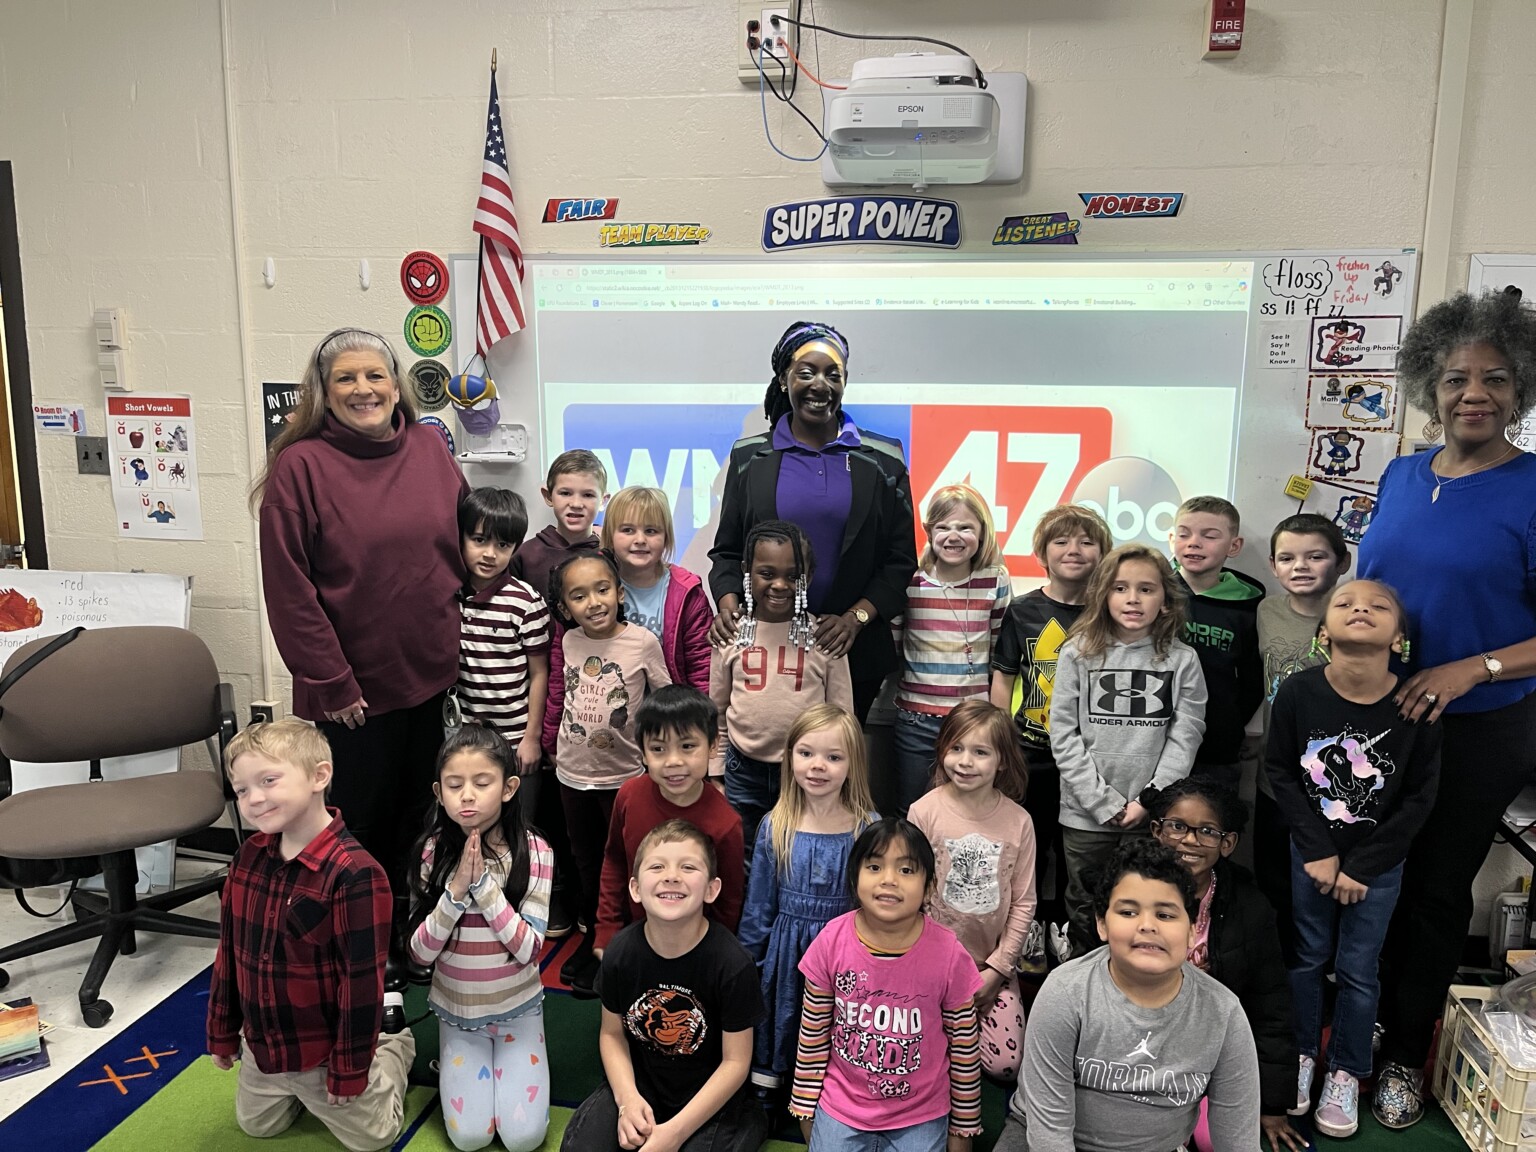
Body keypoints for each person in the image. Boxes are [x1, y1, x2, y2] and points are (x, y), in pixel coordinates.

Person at [1361, 289, 1536, 1129]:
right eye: (1457, 378)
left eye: (1495, 378)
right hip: (1385, 716)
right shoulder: (1401, 475)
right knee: (1371, 878)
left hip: (1481, 727)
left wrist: (1477, 667)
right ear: (1429, 386)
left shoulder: (1532, 485)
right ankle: (1359, 1027)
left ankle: (1405, 1054)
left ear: (1520, 389)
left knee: (1435, 891)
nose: (1475, 393)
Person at [253, 328, 467, 980]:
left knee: (417, 820)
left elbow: (467, 540)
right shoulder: (300, 467)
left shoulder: (428, 447)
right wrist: (332, 680)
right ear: (324, 390)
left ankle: (406, 935)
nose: (363, 389)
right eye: (346, 377)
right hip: (353, 695)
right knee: (357, 828)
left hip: (429, 677)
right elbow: (289, 590)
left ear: (395, 384)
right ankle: (359, 948)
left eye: (375, 375)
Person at [1267, 580, 1441, 1138]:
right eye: (1344, 603)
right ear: (1323, 633)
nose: (1360, 607)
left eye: (1378, 605)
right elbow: (1279, 772)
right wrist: (1318, 851)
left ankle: (1346, 1070)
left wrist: (1363, 867)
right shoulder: (1298, 692)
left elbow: (1419, 799)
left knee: (1360, 969)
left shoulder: (1416, 706)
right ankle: (1301, 1055)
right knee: (1307, 957)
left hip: (1378, 865)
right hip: (1311, 857)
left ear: (1399, 639)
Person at [207, 720, 415, 1152]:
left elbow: (361, 983)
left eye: (268, 780)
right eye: (242, 789)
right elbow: (229, 953)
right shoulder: (247, 857)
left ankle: (393, 1046)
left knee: (375, 1139)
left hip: (323, 1052)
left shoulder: (357, 874)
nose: (253, 799)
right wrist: (223, 1032)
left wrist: (349, 1068)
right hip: (264, 1047)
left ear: (319, 776)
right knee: (257, 1127)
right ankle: (297, 1091)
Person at [708, 321, 918, 724]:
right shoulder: (749, 457)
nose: (820, 385)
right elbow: (728, 551)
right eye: (806, 372)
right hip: (764, 648)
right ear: (784, 379)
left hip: (850, 650)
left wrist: (855, 619)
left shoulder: (884, 457)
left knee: (834, 756)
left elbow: (900, 560)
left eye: (833, 375)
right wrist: (730, 608)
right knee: (763, 754)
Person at [998, 838, 1260, 1152]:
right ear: (1102, 924)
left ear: (1192, 929)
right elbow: (1049, 1135)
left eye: (1165, 915)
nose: (1147, 925)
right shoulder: (1065, 993)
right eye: (1128, 912)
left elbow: (1239, 1141)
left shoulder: (1223, 1012)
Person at [561, 820, 768, 1152]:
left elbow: (736, 1063)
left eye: (688, 867)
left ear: (712, 889)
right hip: (640, 1085)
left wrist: (674, 1133)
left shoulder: (732, 964)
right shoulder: (621, 952)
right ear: (635, 888)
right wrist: (627, 1100)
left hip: (710, 1100)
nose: (672, 876)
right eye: (657, 867)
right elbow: (612, 1035)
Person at [1052, 544, 1207, 956]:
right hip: (1085, 815)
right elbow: (1063, 734)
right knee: (1085, 906)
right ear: (1103, 594)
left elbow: (1186, 736)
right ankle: (1084, 982)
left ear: (1165, 600)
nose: (1133, 599)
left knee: (1146, 905)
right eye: (1120, 588)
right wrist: (1100, 801)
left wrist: (1148, 800)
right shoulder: (1077, 652)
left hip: (1151, 816)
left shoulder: (1183, 660)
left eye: (1146, 589)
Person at [791, 817, 983, 1150]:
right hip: (843, 1105)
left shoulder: (949, 953)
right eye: (875, 867)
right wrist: (805, 1110)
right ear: (855, 877)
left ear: (929, 886)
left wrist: (963, 1129)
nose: (889, 880)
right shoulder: (830, 942)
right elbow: (812, 1037)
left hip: (920, 1111)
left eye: (906, 870)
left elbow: (964, 1049)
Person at [407, 725, 553, 1152]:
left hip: (518, 1013)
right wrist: (454, 893)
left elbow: (528, 950)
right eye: (455, 786)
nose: (467, 796)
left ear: (509, 788)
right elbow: (419, 953)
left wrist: (484, 887)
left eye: (481, 783)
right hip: (457, 1014)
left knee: (524, 1138)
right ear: (439, 793)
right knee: (470, 1137)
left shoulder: (536, 851)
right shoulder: (431, 851)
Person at [1148, 778, 1303, 1152]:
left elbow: (1271, 1006)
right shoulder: (1128, 894)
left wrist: (1271, 1104)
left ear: (1227, 843)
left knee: (1213, 1141)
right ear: (1156, 831)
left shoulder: (1251, 909)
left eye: (1207, 831)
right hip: (1137, 1046)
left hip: (1209, 1052)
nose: (1189, 841)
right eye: (1177, 826)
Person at [543, 550, 671, 994]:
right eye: (579, 596)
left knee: (624, 862)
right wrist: (550, 746)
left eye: (602, 590)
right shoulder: (569, 641)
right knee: (586, 861)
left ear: (619, 593)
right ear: (565, 608)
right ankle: (595, 939)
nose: (594, 602)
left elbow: (664, 702)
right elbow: (561, 695)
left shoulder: (642, 642)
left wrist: (662, 760)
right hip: (572, 775)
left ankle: (626, 942)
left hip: (625, 780)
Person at [992, 503, 1112, 963]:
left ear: (1103, 552)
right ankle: (1029, 929)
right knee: (1032, 846)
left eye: (1086, 541)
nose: (1073, 550)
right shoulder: (1023, 610)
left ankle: (1068, 930)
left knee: (1076, 853)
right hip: (1032, 754)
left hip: (1089, 758)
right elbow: (1003, 678)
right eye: (1061, 541)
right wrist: (1002, 744)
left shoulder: (1108, 611)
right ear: (1042, 553)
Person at [738, 703, 877, 1097]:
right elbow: (759, 907)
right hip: (786, 955)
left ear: (852, 764)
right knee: (781, 1017)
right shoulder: (775, 825)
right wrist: (748, 965)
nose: (818, 766)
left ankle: (829, 1093)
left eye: (833, 757)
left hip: (844, 957)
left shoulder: (868, 828)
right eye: (806, 753)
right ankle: (769, 1093)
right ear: (790, 757)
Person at [908, 699, 1036, 1082]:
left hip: (988, 966)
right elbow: (910, 896)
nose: (965, 762)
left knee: (1006, 1064)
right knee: (919, 1053)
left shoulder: (1019, 822)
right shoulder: (923, 812)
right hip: (927, 964)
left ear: (1002, 760)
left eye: (980, 752)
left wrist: (997, 970)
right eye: (956, 748)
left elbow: (1024, 902)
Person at [710, 520, 854, 855]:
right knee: (746, 852)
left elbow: (842, 717)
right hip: (742, 768)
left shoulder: (825, 637)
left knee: (796, 851)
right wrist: (716, 773)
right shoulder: (730, 635)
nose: (779, 584)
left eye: (793, 575)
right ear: (746, 572)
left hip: (807, 773)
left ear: (810, 576)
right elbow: (717, 711)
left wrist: (841, 774)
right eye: (766, 573)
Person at [514, 448, 608, 941]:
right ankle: (553, 896)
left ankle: (592, 902)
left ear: (603, 500)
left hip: (594, 703)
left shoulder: (608, 554)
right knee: (549, 811)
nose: (576, 503)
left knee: (589, 821)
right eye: (566, 493)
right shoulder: (527, 555)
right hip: (542, 698)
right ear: (547, 496)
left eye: (587, 494)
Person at [1255, 513, 1352, 956]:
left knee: (1326, 890)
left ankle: (1323, 974)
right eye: (1287, 558)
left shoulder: (1356, 614)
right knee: (1275, 882)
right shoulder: (1267, 611)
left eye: (1315, 556)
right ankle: (1281, 977)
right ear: (1273, 566)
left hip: (1334, 782)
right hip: (1275, 777)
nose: (1300, 566)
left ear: (1342, 562)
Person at [595, 686, 745, 962]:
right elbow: (614, 861)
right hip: (636, 939)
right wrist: (607, 928)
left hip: (695, 949)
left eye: (687, 746)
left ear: (713, 746)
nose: (673, 761)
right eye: (658, 749)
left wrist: (712, 954)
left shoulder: (726, 823)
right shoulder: (629, 795)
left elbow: (728, 902)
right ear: (643, 753)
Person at [893, 484, 1013, 816]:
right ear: (929, 532)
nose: (953, 536)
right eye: (943, 527)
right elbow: (896, 643)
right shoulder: (912, 581)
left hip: (973, 723)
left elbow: (1000, 652)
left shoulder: (995, 580)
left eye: (965, 527)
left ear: (982, 532)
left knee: (969, 810)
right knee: (912, 811)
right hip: (917, 721)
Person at [456, 488, 551, 798]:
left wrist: (531, 738)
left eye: (503, 545)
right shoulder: (450, 595)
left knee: (521, 821)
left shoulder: (526, 602)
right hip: (465, 739)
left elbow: (539, 673)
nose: (490, 554)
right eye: (479, 540)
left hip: (516, 740)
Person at [1168, 496, 1265, 781]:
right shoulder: (1154, 593)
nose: (1194, 543)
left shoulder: (1247, 607)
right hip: (1155, 740)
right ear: (1172, 539)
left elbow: (1253, 680)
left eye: (1209, 536)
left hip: (1218, 746)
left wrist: (1233, 723)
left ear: (1234, 546)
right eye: (1184, 534)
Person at [600, 485, 712, 694]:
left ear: (666, 537)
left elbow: (701, 667)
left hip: (666, 709)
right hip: (603, 706)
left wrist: (700, 713)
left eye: (651, 531)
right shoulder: (590, 581)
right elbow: (567, 657)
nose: (640, 540)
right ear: (610, 535)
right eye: (627, 530)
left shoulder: (687, 593)